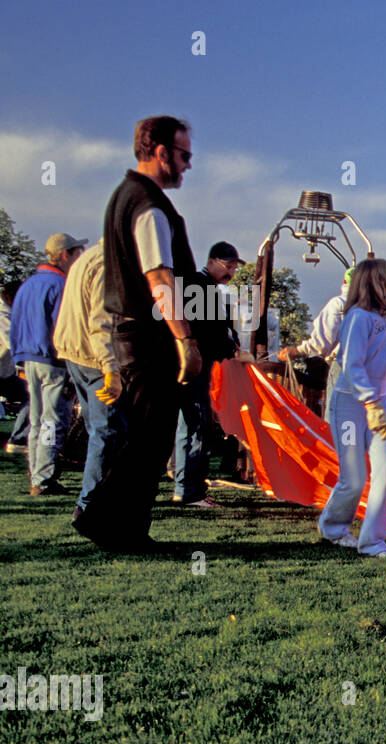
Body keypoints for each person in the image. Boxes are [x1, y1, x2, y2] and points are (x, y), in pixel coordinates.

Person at [73, 115, 201, 552]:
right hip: (148, 339)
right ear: (161, 152)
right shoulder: (149, 206)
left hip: (129, 335)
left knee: (143, 436)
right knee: (151, 437)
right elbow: (160, 278)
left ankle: (107, 520)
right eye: (184, 155)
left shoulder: (122, 197)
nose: (188, 165)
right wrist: (184, 341)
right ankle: (113, 524)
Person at [317, 258, 386, 559]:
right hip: (351, 407)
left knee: (385, 473)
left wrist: (384, 405)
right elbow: (352, 368)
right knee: (353, 477)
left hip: (380, 407)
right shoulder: (357, 318)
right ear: (380, 284)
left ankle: (373, 542)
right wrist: (371, 402)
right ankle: (333, 527)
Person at [52, 239, 127, 518]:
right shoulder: (109, 266)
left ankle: (96, 498)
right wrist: (111, 368)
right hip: (95, 360)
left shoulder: (87, 259)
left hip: (75, 354)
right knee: (107, 432)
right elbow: (100, 323)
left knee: (99, 430)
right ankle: (89, 504)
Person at [11, 232, 87, 495]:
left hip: (28, 360)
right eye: (76, 253)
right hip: (53, 362)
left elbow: (15, 325)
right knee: (53, 421)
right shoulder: (60, 285)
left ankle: (37, 473)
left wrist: (19, 361)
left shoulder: (28, 285)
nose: (78, 258)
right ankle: (44, 477)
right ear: (64, 255)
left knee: (37, 420)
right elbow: (64, 328)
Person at [172, 241, 242, 507]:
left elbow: (220, 328)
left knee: (190, 426)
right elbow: (212, 331)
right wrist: (231, 351)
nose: (232, 272)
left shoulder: (204, 288)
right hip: (196, 366)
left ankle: (187, 486)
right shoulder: (200, 288)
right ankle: (189, 490)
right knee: (195, 427)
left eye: (234, 267)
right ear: (211, 261)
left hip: (195, 365)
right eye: (228, 266)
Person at [279, 266, 352, 417]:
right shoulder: (377, 308)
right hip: (371, 377)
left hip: (343, 369)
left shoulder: (339, 304)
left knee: (337, 422)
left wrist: (297, 351)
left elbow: (321, 343)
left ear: (345, 281)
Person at [1, 280, 30, 453]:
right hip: (3, 374)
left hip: (5, 375)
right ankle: (18, 439)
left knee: (32, 395)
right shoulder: (2, 316)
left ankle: (18, 439)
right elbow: (14, 344)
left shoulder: (10, 313)